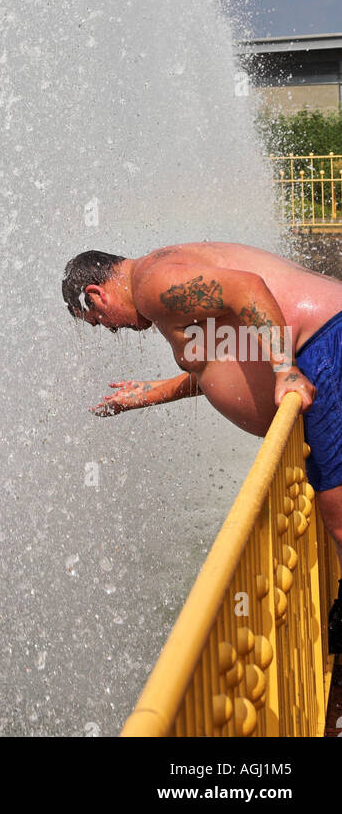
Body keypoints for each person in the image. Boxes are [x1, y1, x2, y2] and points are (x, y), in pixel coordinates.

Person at [62, 241, 342, 654]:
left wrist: (285, 371)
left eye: (101, 322)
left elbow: (247, 290)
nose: (114, 330)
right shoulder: (158, 284)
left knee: (338, 512)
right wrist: (156, 392)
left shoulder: (152, 285)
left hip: (323, 345)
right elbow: (229, 355)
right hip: (321, 344)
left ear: (95, 295)